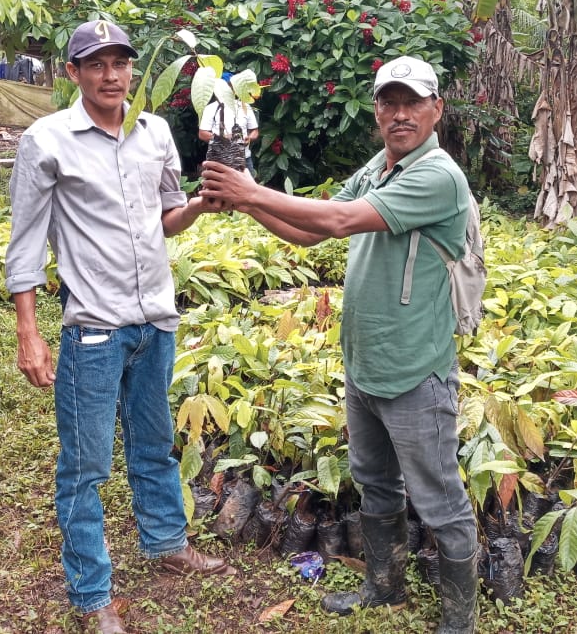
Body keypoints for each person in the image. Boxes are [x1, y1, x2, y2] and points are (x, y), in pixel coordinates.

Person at [201, 56, 478, 634]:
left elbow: (338, 220)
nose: (399, 114)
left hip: (416, 368)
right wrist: (250, 202)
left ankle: (460, 620)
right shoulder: (381, 166)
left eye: (412, 103)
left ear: (436, 110)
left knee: (441, 501)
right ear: (377, 110)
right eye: (389, 103)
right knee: (376, 484)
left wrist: (251, 189)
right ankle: (385, 589)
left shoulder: (438, 175)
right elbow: (306, 232)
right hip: (366, 364)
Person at [5, 19, 236, 634]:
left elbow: (167, 218)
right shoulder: (46, 141)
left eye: (121, 63)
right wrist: (29, 331)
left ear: (132, 69)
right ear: (74, 73)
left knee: (155, 444)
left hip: (156, 320)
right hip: (94, 330)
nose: (111, 76)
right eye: (97, 64)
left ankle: (167, 546)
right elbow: (25, 244)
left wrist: (201, 205)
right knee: (84, 466)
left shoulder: (155, 131)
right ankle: (91, 595)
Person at [198, 72, 259, 173]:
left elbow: (255, 131)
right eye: (226, 86)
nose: (229, 89)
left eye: (231, 86)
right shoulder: (211, 108)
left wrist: (249, 138)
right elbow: (202, 134)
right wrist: (223, 138)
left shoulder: (245, 106)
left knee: (248, 188)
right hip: (220, 160)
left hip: (244, 159)